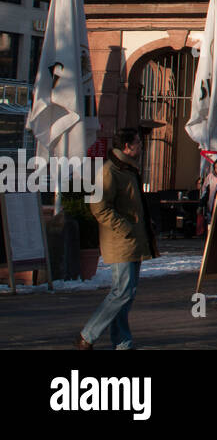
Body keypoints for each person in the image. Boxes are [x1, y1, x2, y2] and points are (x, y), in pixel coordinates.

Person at [77, 128, 159, 350]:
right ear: (126, 147)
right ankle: (88, 335)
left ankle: (122, 343)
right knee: (121, 292)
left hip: (133, 240)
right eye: (138, 143)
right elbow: (99, 207)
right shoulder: (110, 171)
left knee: (126, 295)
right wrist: (125, 227)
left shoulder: (128, 170)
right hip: (121, 241)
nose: (141, 147)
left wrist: (143, 225)